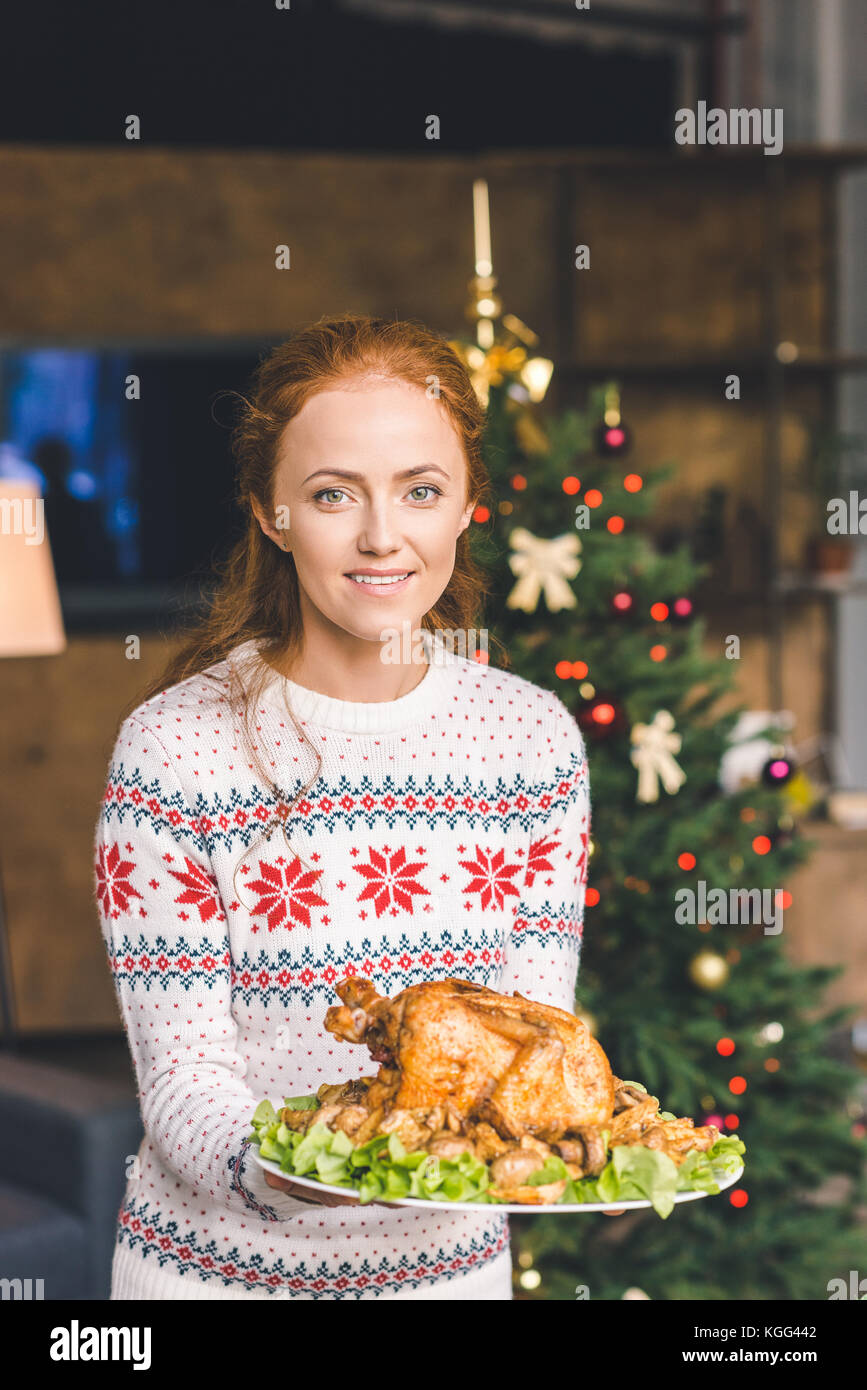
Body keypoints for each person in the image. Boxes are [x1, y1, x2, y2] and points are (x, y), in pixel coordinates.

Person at [93, 312, 595, 1302]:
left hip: (448, 1280)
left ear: (465, 507)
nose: (381, 536)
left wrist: (576, 1137)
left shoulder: (535, 744)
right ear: (270, 512)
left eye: (420, 490)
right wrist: (329, 1164)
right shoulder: (173, 751)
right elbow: (185, 1088)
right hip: (215, 1280)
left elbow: (534, 1038)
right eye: (333, 495)